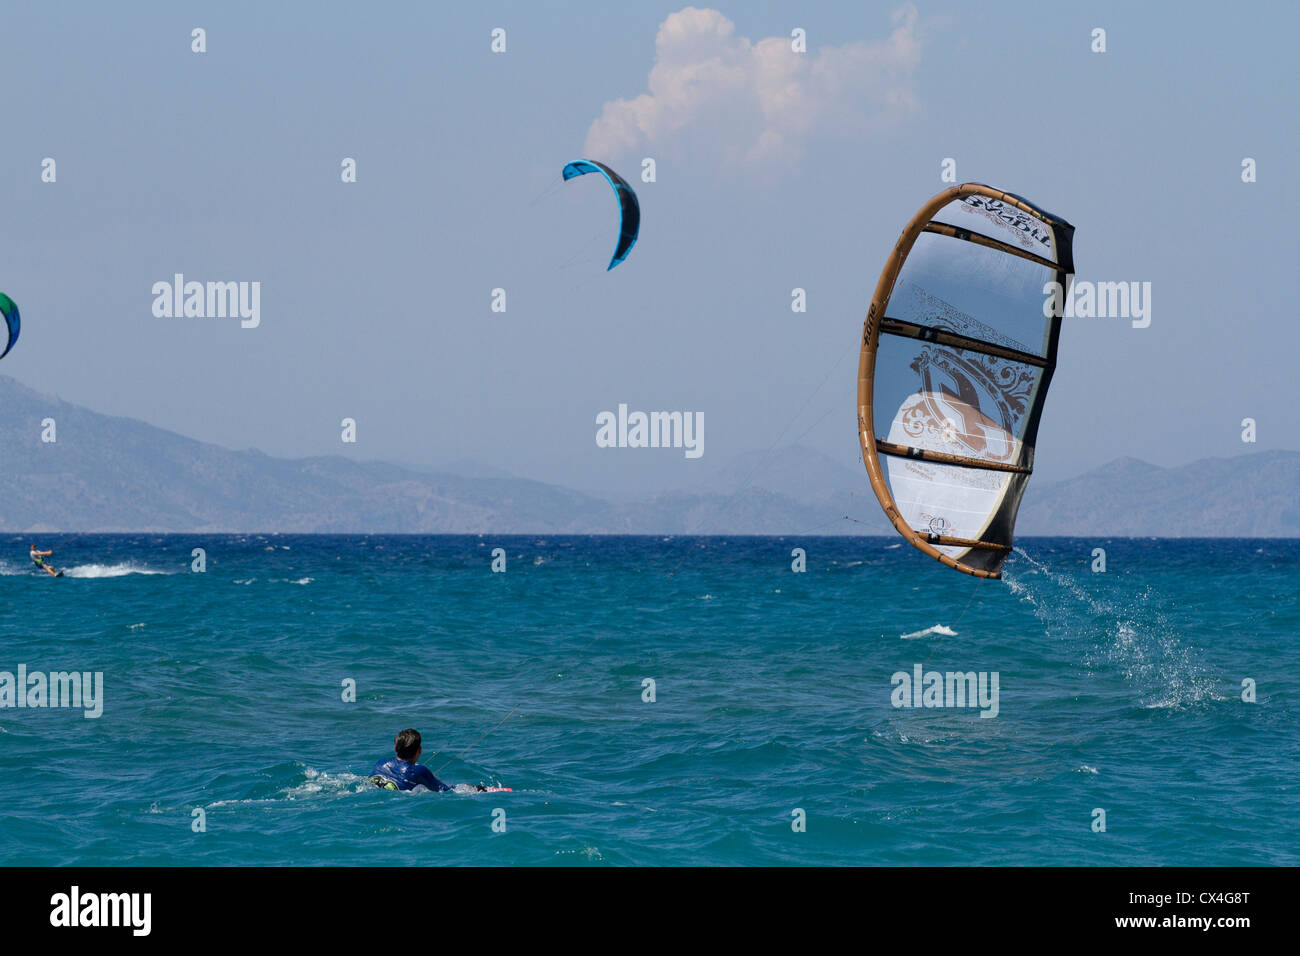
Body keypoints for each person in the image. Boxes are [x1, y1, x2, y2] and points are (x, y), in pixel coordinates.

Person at [370, 728, 452, 792]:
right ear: (419, 750)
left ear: (395, 748)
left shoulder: (380, 763)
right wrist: (462, 787)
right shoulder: (419, 771)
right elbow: (444, 790)